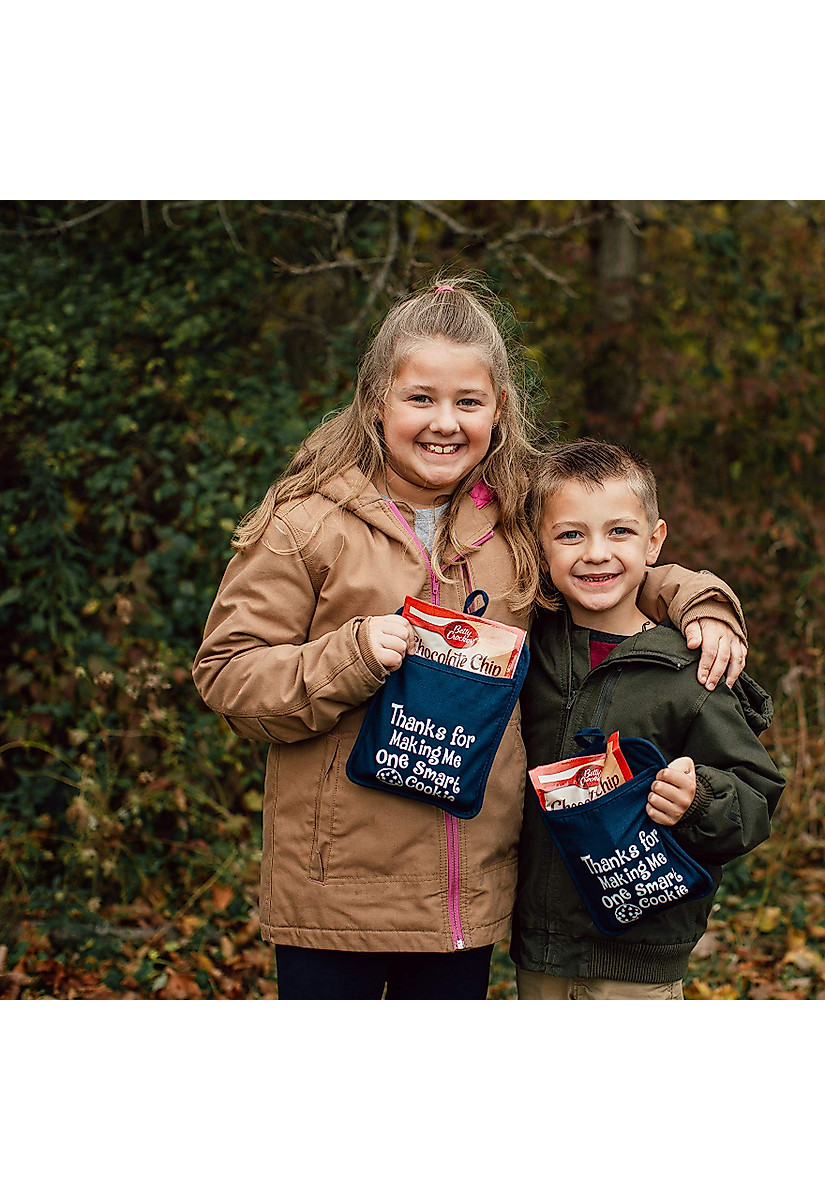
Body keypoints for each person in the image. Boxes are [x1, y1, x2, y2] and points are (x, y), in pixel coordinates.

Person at [192, 278, 749, 1000]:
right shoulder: (306, 524)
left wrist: (699, 597)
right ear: (375, 402)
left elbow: (606, 567)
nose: (443, 423)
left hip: (467, 899)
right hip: (335, 899)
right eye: (420, 398)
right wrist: (352, 654)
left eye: (468, 402)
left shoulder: (517, 518)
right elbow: (228, 675)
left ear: (500, 410)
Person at [512, 439, 785, 1000]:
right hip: (541, 948)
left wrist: (700, 800)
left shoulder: (689, 672)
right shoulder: (528, 648)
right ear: (539, 546)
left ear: (654, 541)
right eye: (570, 534)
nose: (594, 553)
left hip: (640, 958)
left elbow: (756, 795)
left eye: (619, 532)